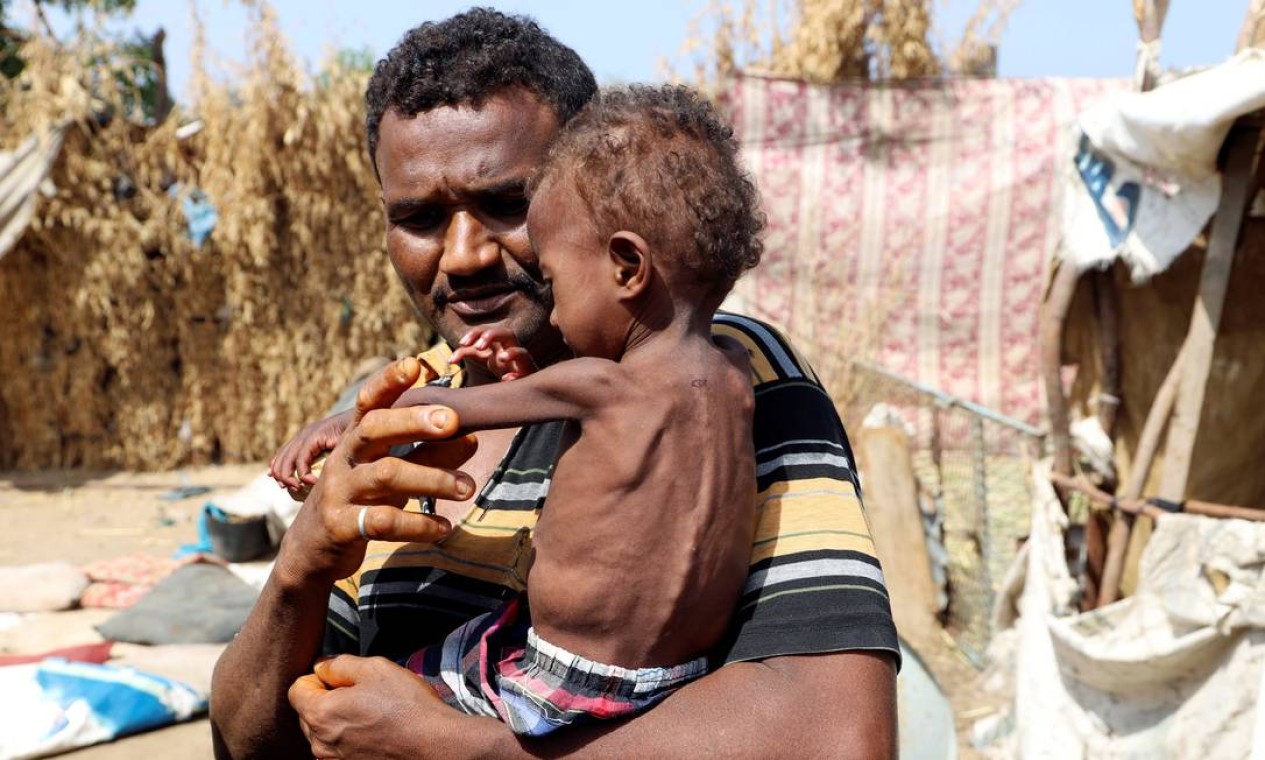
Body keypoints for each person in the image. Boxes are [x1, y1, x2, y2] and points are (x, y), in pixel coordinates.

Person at [211, 8, 899, 759]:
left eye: (508, 205)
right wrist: (299, 570)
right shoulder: (398, 416)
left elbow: (836, 736)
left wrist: (461, 750)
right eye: (418, 217)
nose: (466, 253)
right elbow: (247, 744)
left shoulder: (732, 379)